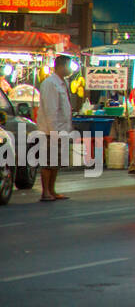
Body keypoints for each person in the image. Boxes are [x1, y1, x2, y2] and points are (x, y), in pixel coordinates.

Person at [37, 55, 74, 202]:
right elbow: (51, 109)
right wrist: (54, 131)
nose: (70, 69)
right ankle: (45, 191)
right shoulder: (50, 84)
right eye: (68, 66)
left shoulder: (62, 83)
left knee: (56, 162)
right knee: (48, 162)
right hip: (50, 131)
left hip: (61, 130)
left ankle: (52, 190)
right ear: (60, 66)